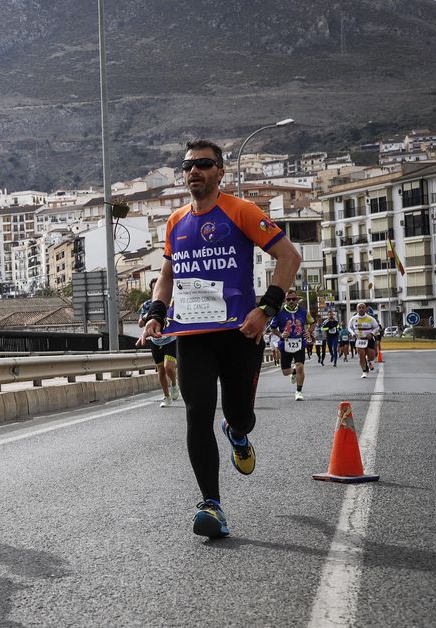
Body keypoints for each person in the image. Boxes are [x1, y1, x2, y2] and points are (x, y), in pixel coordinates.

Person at [139, 139, 301, 539]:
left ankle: (238, 431)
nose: (194, 170)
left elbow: (290, 257)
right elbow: (167, 274)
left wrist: (265, 310)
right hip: (192, 334)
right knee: (197, 413)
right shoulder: (176, 222)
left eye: (204, 164)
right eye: (188, 165)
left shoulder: (240, 210)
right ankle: (211, 504)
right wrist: (157, 313)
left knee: (239, 413)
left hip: (239, 333)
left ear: (220, 172)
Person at [138, 278, 180, 407]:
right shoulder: (147, 305)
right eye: (155, 287)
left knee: (169, 367)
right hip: (155, 341)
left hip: (170, 339)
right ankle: (166, 397)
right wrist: (147, 317)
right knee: (161, 370)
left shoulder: (171, 303)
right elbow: (140, 323)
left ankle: (174, 384)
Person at [270, 289, 314, 400]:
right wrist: (281, 334)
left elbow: (312, 323)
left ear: (297, 299)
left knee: (300, 367)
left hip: (299, 343)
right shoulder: (279, 313)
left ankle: (298, 392)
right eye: (288, 299)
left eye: (293, 299)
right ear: (285, 300)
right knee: (285, 372)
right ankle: (292, 371)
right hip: (285, 344)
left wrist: (309, 332)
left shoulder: (303, 312)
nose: (291, 301)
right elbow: (273, 328)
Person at [347, 302, 381, 378]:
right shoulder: (353, 318)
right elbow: (349, 328)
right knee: (361, 355)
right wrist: (352, 333)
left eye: (363, 307)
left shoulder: (370, 318)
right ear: (357, 309)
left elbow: (377, 327)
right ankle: (364, 371)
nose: (361, 309)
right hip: (359, 339)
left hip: (369, 339)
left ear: (366, 309)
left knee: (371, 355)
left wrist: (372, 334)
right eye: (359, 308)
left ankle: (370, 362)